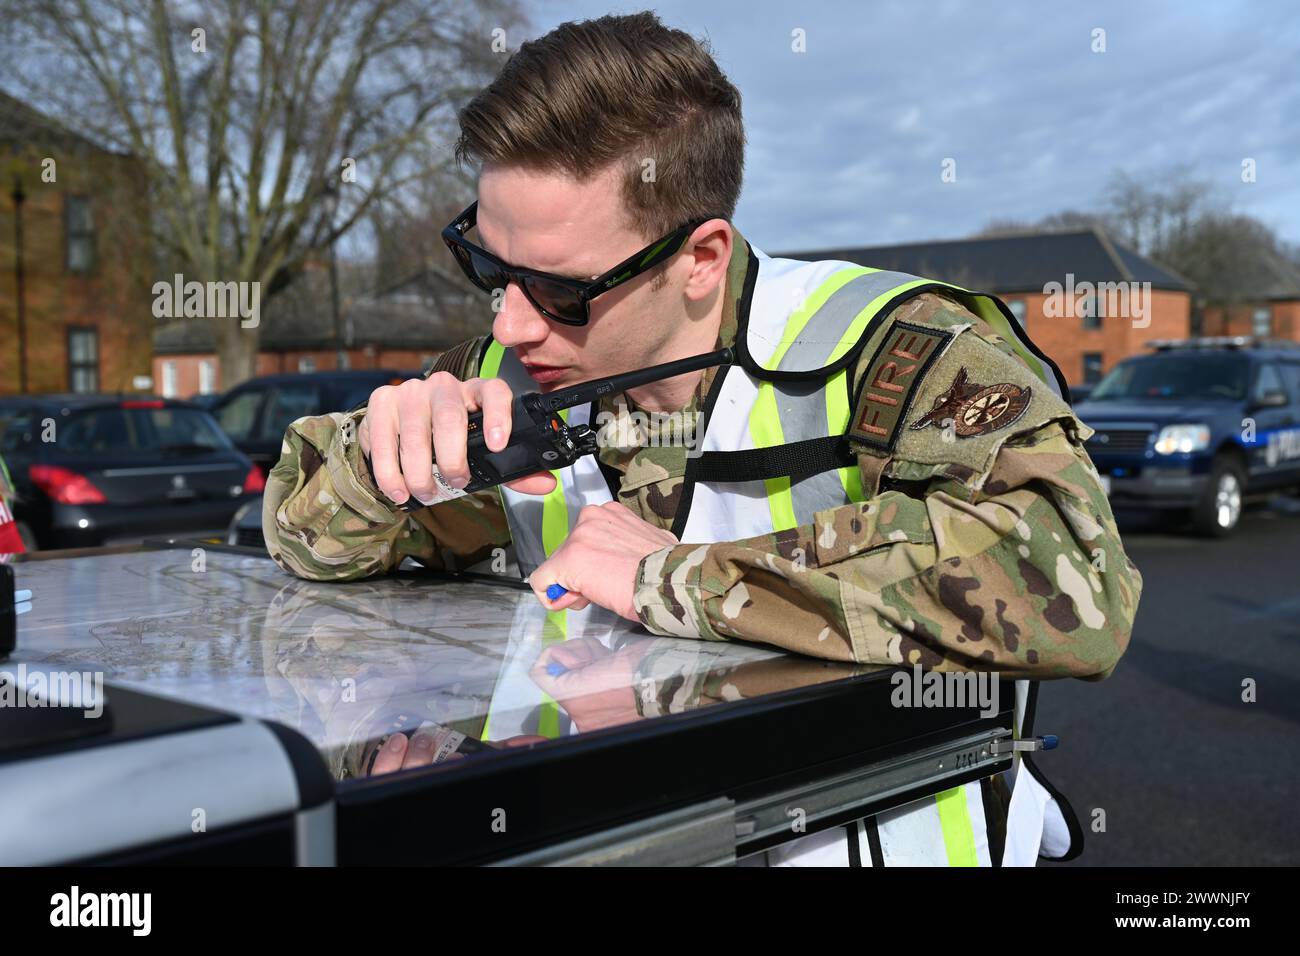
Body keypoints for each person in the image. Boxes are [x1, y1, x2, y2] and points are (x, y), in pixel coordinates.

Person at [263, 11, 1141, 866]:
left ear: (702, 257)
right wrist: (370, 472)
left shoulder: (897, 351)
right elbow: (304, 532)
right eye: (487, 267)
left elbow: (1077, 578)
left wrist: (674, 581)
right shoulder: (506, 375)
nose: (514, 323)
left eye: (560, 290)